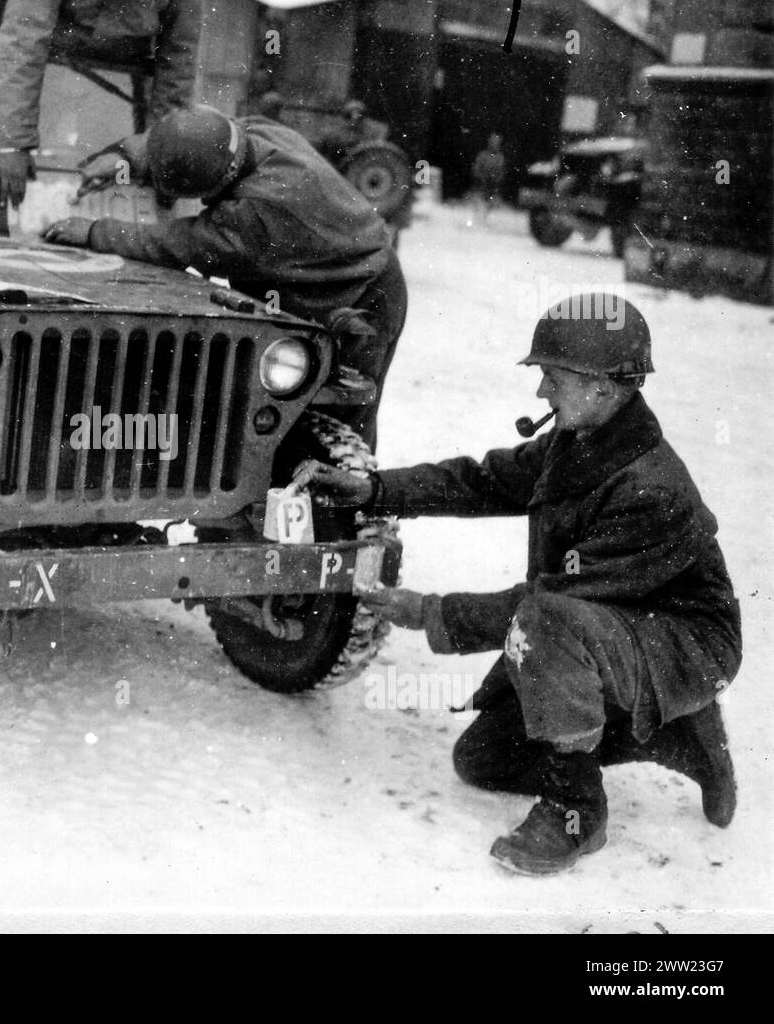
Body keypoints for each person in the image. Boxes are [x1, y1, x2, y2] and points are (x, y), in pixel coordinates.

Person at [293, 296, 742, 875]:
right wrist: (373, 490)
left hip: (684, 644)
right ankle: (677, 732)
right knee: (484, 760)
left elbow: (555, 606)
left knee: (547, 620)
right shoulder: (581, 441)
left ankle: (576, 810)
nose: (541, 395)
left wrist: (429, 612)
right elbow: (482, 482)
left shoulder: (649, 487)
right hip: (606, 630)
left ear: (603, 387)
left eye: (552, 378)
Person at [41, 104, 407, 452]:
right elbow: (190, 133)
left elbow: (180, 244)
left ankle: (339, 512)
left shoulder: (260, 210)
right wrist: (127, 156)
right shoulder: (252, 133)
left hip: (361, 296)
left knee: (332, 426)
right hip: (342, 270)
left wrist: (94, 232)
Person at [0, 0, 205, 207]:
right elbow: (26, 32)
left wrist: (165, 155)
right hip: (48, 77)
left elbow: (180, 50)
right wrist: (14, 142)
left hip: (121, 91)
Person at [469, 132, 507, 225]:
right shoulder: (482, 155)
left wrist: (496, 179)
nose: (494, 144)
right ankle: (477, 218)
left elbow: (501, 171)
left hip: (493, 185)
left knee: (491, 203)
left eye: (496, 142)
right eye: (493, 142)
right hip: (481, 183)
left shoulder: (500, 157)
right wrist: (481, 177)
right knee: (479, 201)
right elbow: (476, 168)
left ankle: (487, 219)